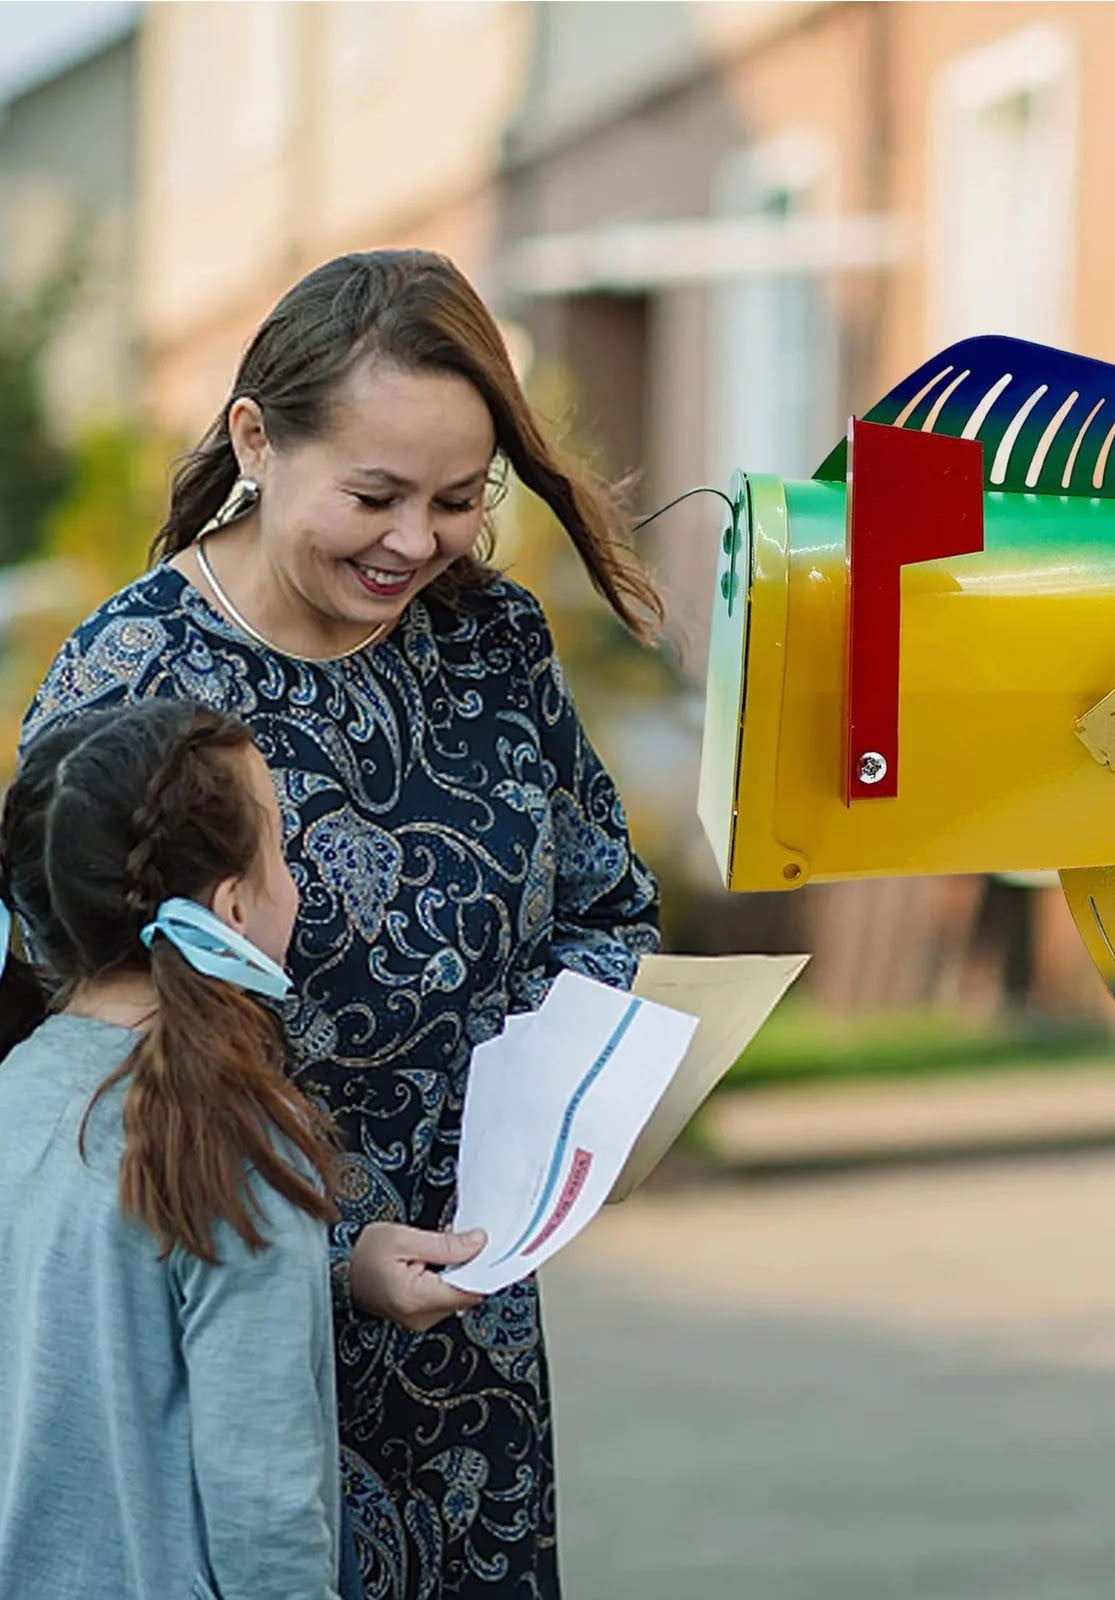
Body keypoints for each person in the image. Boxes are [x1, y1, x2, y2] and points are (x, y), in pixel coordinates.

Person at [22, 249, 662, 1599]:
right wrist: (326, 1253)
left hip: (468, 1337)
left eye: (457, 500)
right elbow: (65, 1052)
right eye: (373, 494)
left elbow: (606, 900)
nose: (417, 543)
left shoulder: (493, 642)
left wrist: (576, 1117)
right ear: (257, 439)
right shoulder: (132, 683)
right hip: (215, 1339)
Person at [0, 700, 346, 1598]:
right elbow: (264, 1510)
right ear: (233, 904)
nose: (294, 882)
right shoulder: (236, 1143)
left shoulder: (14, 1093)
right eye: (279, 847)